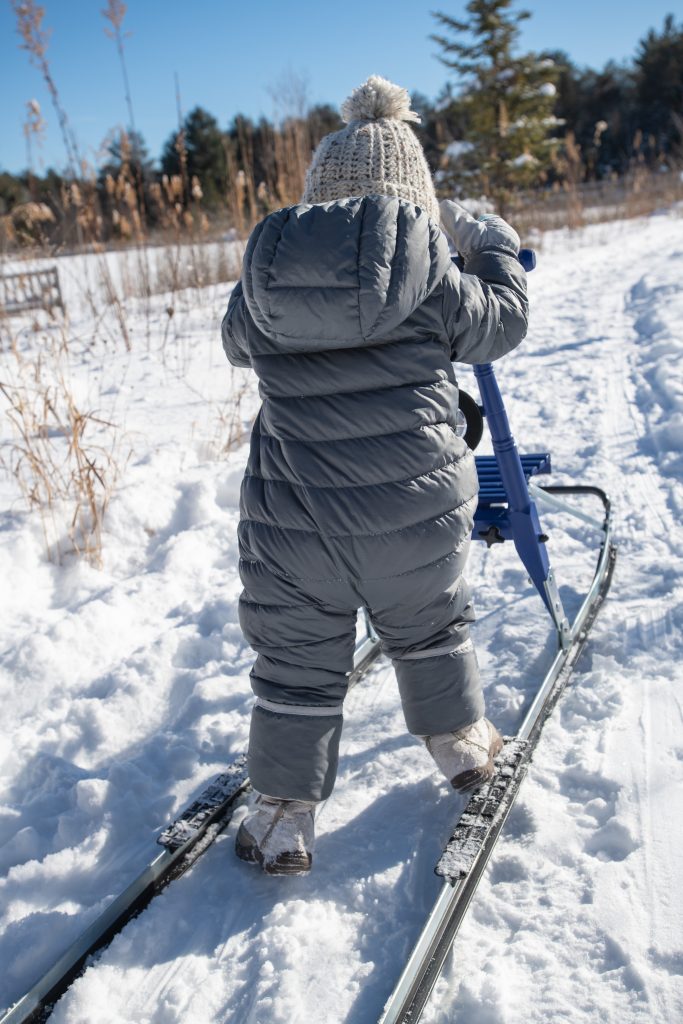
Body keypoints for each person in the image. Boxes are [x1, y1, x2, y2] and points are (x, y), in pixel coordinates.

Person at [221, 76, 528, 875]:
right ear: (414, 197)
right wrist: (488, 242)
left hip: (295, 527)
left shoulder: (267, 272)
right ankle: (460, 744)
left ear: (318, 189)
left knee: (294, 660)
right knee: (428, 625)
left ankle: (284, 816)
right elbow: (502, 322)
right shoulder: (428, 265)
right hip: (414, 515)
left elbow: (234, 339)